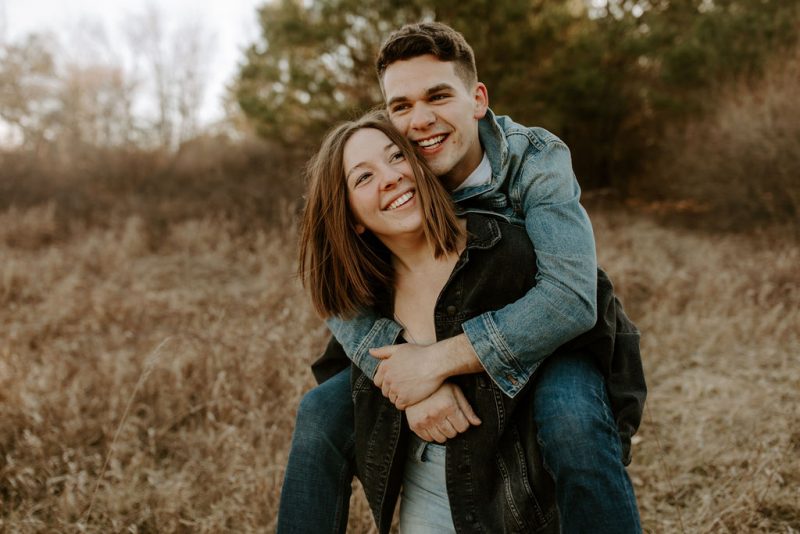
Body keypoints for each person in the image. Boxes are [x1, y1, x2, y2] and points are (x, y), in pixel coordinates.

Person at [278, 22, 645, 533]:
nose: (421, 120)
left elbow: (568, 300)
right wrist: (412, 383)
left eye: (438, 96)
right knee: (321, 411)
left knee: (572, 418)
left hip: (547, 333)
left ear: (476, 99)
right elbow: (338, 280)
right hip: (427, 326)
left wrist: (435, 363)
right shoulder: (400, 168)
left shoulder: (533, 159)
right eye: (401, 106)